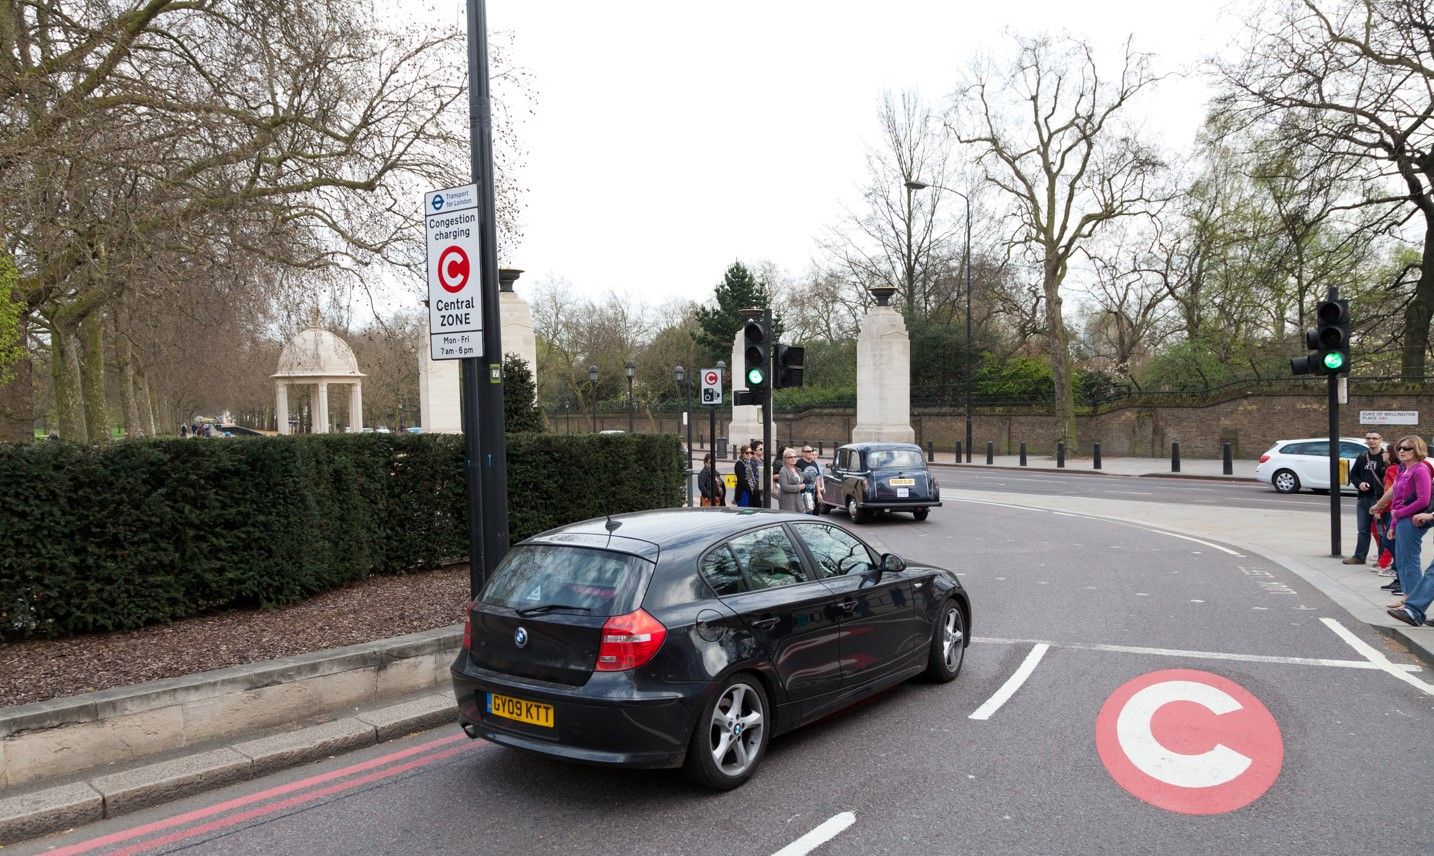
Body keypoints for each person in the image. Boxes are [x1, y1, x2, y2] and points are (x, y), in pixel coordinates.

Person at [1385, 435, 1431, 607]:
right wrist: (1393, 523)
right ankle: (1407, 596)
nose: (1402, 451)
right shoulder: (1402, 469)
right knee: (1402, 559)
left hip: (1412, 520)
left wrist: (1399, 514)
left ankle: (1414, 602)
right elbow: (1397, 498)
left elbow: (1423, 500)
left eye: (1407, 448)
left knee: (1410, 560)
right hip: (1400, 518)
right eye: (1400, 448)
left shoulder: (1420, 470)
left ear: (1417, 450)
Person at [1344, 431, 1386, 565]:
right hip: (1363, 498)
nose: (1371, 441)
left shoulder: (1385, 457)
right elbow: (1353, 475)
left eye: (1374, 438)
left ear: (1380, 439)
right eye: (1368, 438)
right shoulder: (1362, 457)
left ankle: (1383, 559)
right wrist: (1360, 483)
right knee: (1362, 530)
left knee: (1381, 531)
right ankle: (1359, 556)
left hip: (1379, 499)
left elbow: (1390, 478)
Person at [795, 444, 825, 514]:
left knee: (811, 511)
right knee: (804, 512)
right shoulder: (798, 463)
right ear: (803, 453)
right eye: (808, 451)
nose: (811, 452)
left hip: (812, 491)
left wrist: (819, 493)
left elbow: (817, 477)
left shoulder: (814, 463)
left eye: (811, 451)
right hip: (802, 492)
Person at [775, 448, 805, 512]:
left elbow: (801, 479)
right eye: (790, 457)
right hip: (788, 501)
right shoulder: (783, 471)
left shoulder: (797, 469)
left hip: (798, 500)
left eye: (794, 457)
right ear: (785, 459)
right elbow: (784, 487)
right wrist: (798, 487)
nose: (793, 458)